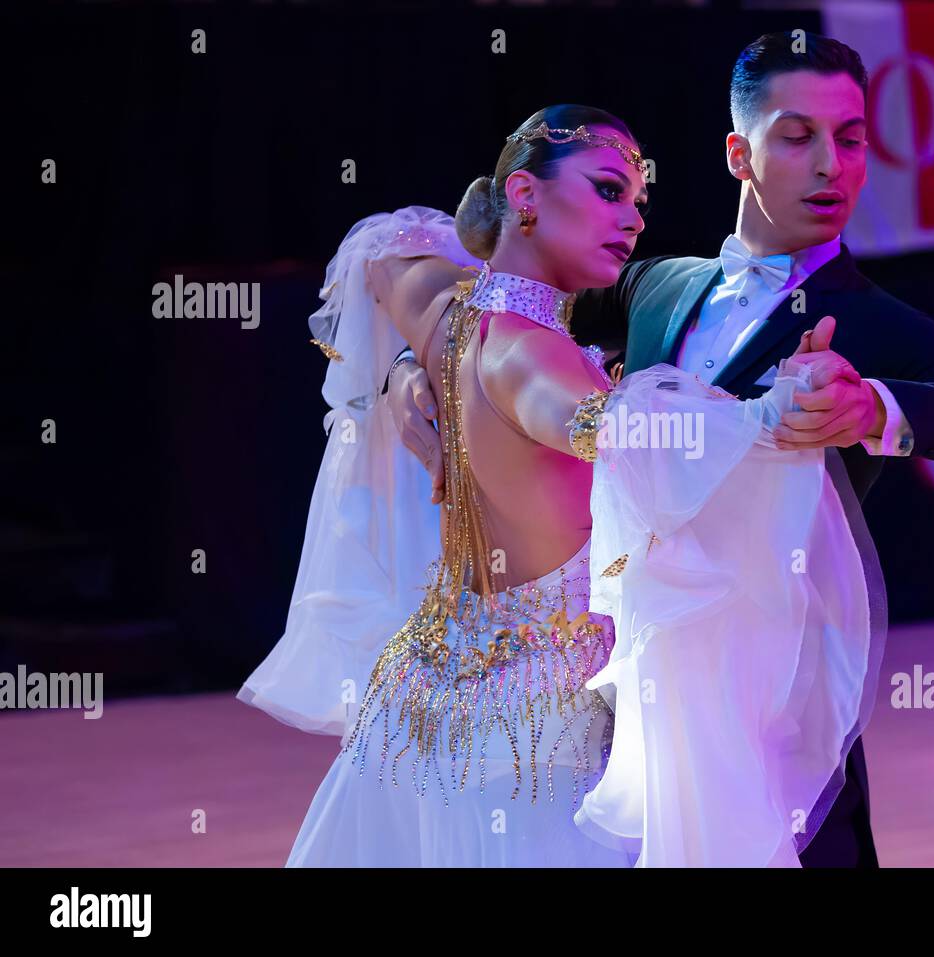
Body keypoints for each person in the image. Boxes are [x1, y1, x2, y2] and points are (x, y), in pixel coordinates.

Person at [389, 32, 934, 866]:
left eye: (850, 139)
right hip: (623, 704)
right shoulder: (655, 283)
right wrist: (412, 376)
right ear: (740, 152)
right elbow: (502, 314)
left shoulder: (877, 321)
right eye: (797, 135)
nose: (831, 166)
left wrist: (873, 405)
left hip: (776, 711)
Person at [241, 102, 883, 866]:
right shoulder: (527, 354)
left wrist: (405, 372)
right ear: (523, 196)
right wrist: (774, 411)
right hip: (542, 750)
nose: (635, 219)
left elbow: (379, 253)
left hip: (423, 708)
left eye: (639, 201)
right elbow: (599, 424)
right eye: (610, 190)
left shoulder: (455, 320)